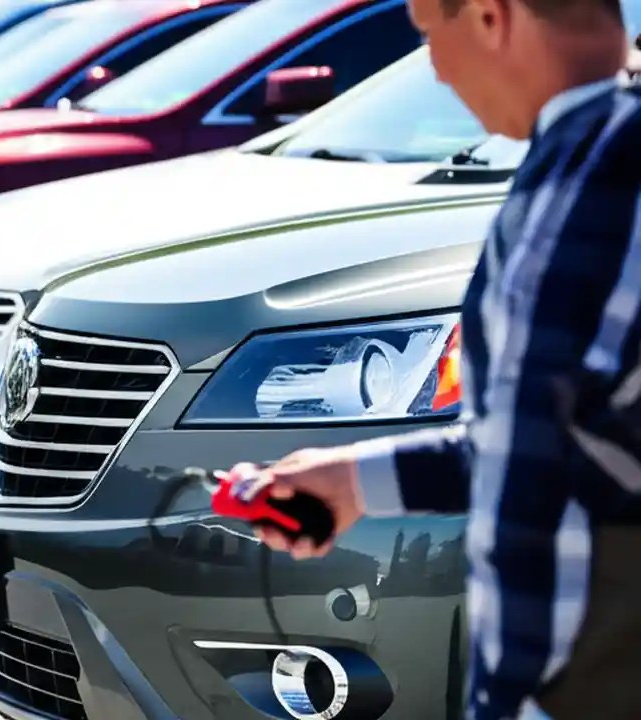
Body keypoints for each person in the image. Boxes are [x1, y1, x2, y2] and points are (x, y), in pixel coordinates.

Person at [220, 0, 641, 718]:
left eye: (425, 35)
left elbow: (539, 453)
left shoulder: (608, 166)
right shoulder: (586, 152)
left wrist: (513, 699)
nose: (437, 71)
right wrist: (354, 482)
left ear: (488, 15)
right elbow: (539, 438)